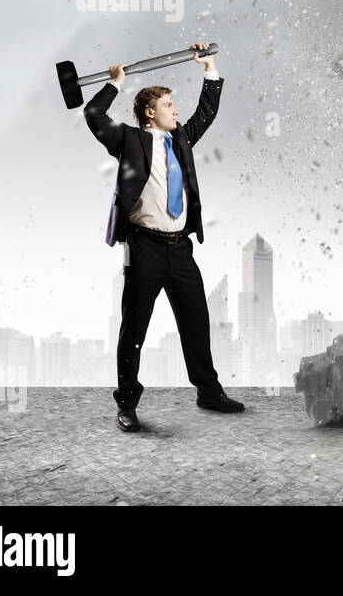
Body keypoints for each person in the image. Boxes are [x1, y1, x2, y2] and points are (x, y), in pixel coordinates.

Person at [83, 42, 244, 432]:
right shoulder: (129, 140)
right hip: (144, 249)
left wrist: (209, 67)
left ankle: (208, 391)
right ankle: (127, 404)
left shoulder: (182, 140)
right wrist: (115, 84)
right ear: (149, 112)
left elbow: (207, 112)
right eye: (169, 105)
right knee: (134, 329)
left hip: (181, 249)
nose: (176, 110)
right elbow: (93, 113)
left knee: (196, 321)